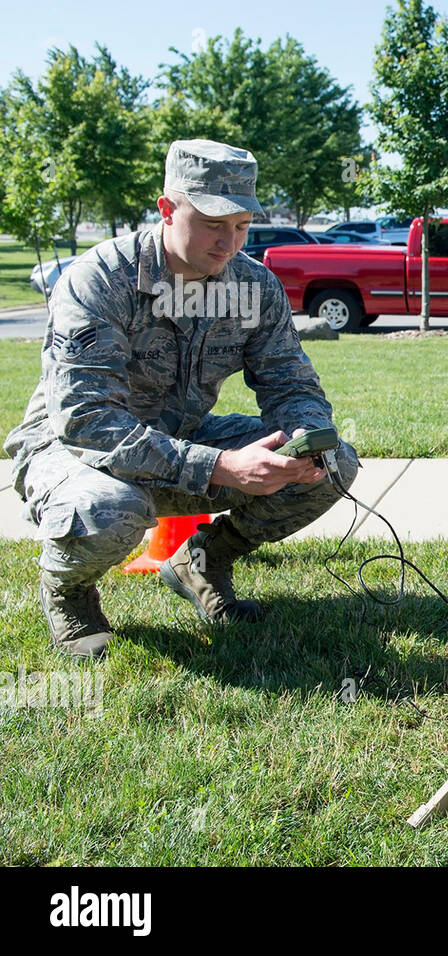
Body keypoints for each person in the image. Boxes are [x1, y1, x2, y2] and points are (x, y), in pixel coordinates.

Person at [5, 139, 359, 660]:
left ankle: (203, 562)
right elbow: (87, 420)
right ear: (167, 209)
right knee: (107, 508)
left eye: (241, 225)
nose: (229, 242)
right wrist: (220, 467)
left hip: (178, 438)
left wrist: (306, 437)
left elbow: (290, 383)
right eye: (214, 222)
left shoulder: (253, 287)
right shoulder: (99, 279)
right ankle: (68, 592)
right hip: (70, 450)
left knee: (334, 463)